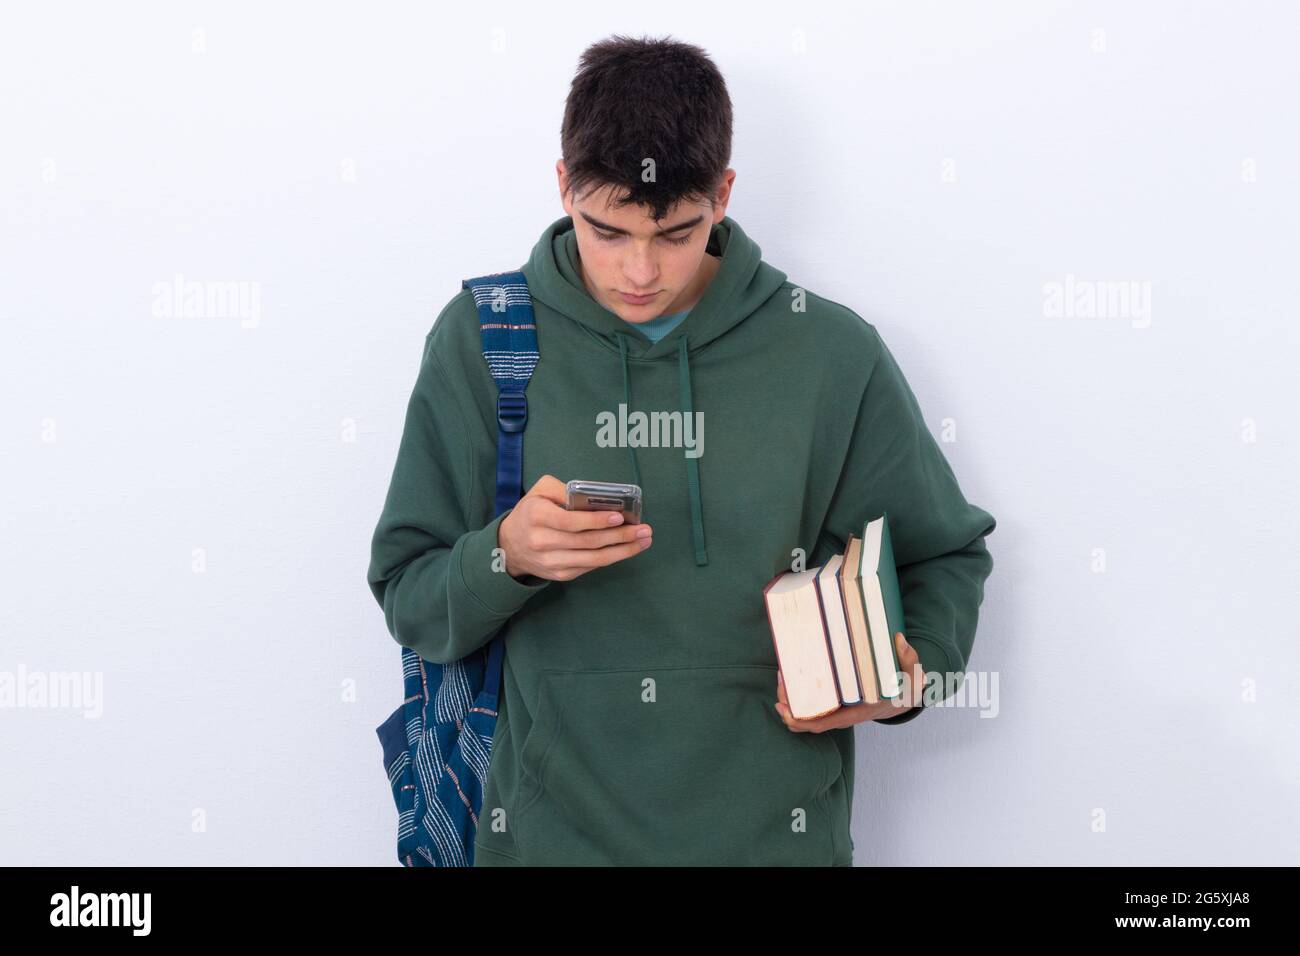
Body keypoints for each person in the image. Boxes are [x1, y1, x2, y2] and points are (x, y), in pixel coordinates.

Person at [366, 33, 997, 866]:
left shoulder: (830, 352)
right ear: (563, 185)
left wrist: (904, 676)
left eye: (674, 234)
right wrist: (505, 558)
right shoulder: (484, 342)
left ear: (724, 194)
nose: (638, 271)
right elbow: (409, 596)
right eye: (606, 229)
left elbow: (942, 556)